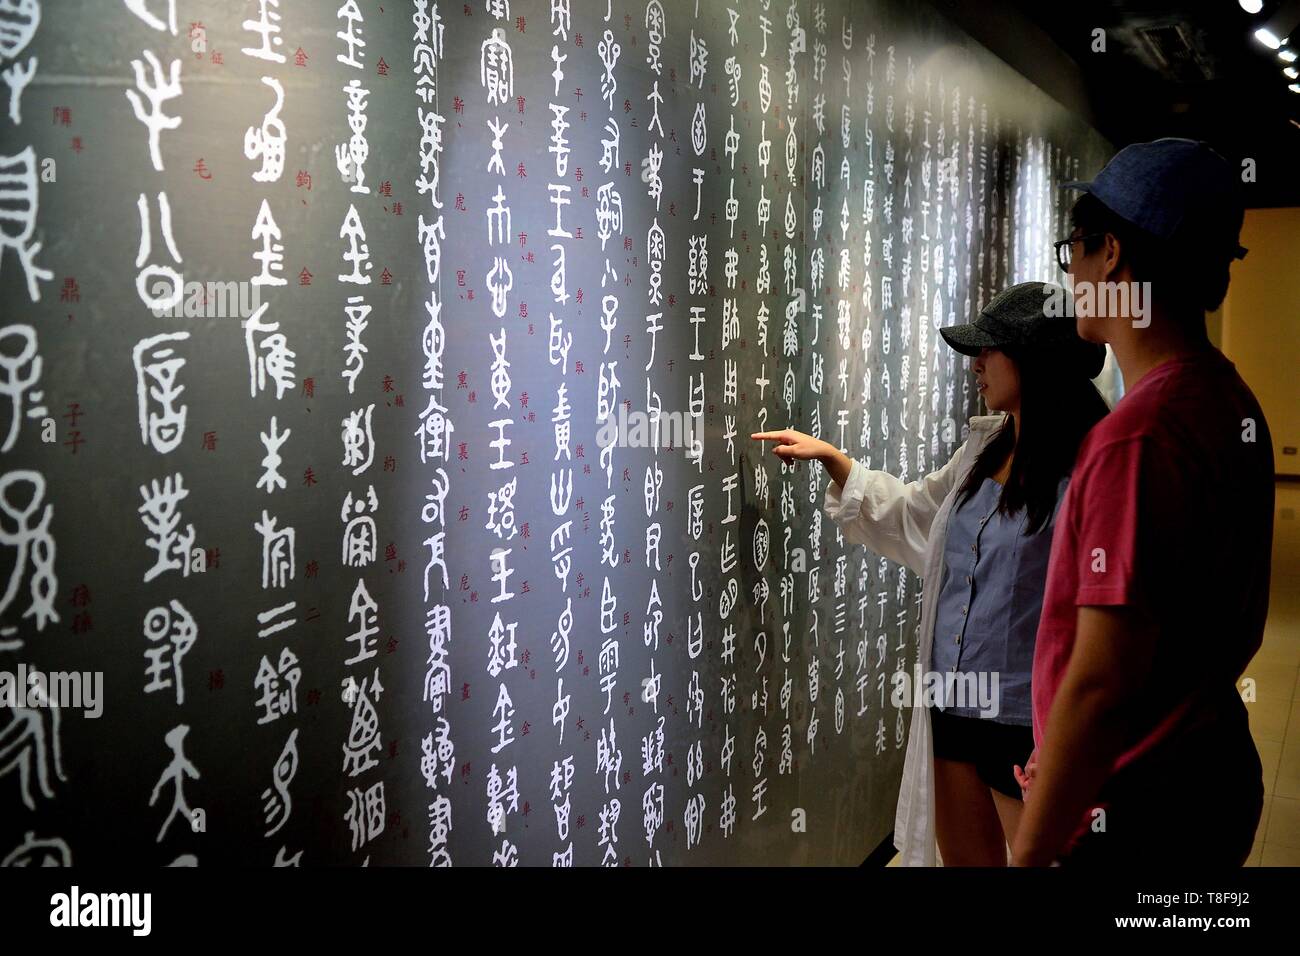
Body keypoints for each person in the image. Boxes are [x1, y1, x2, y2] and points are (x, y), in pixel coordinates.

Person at [753, 281, 1107, 865]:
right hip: (952, 704)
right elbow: (921, 514)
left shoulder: (1091, 467)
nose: (975, 367)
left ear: (1031, 359)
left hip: (1029, 720)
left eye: (987, 350)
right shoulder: (987, 447)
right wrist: (837, 463)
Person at [1012, 139, 1273, 866]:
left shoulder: (1135, 438)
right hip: (1209, 773)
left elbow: (1100, 684)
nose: (1072, 272)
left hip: (1139, 813)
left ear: (1112, 255)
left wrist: (1031, 853)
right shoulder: (1228, 400)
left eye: (1075, 251)